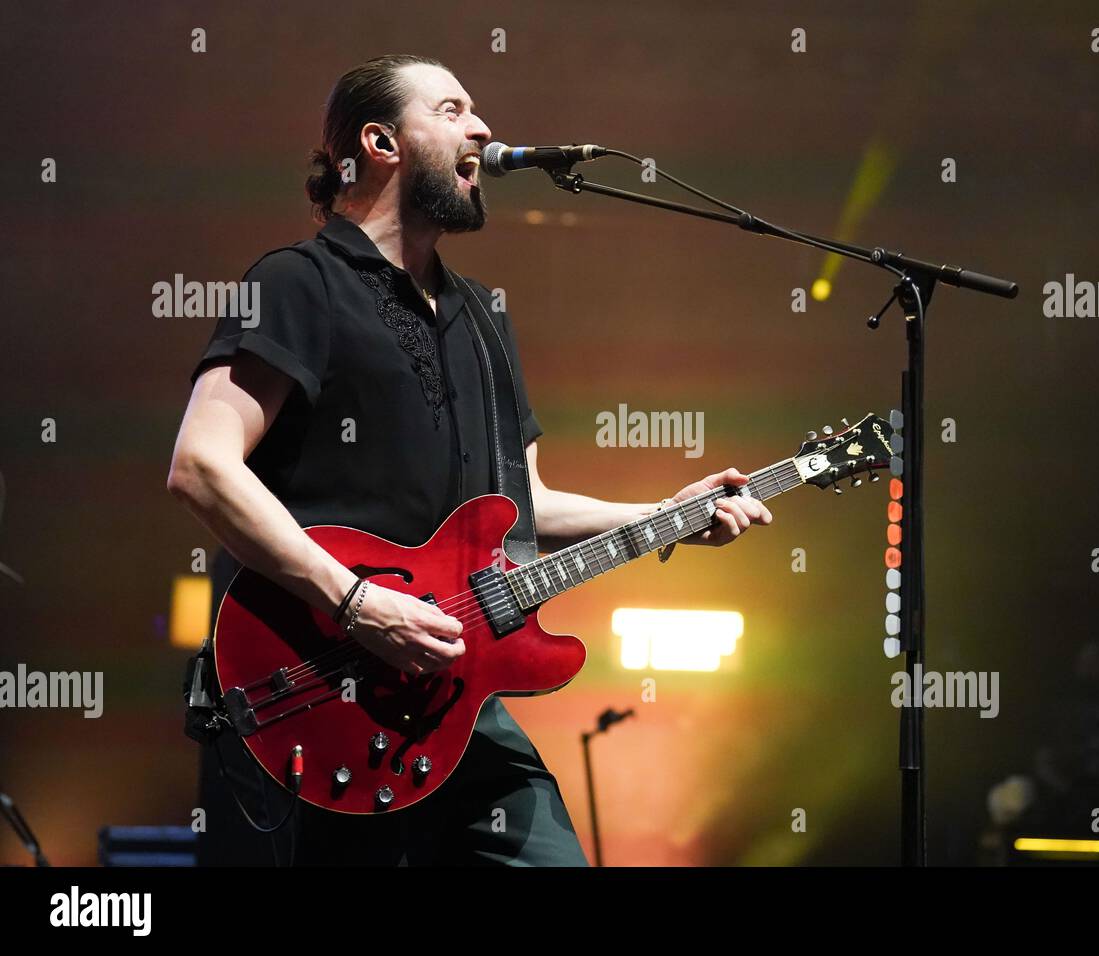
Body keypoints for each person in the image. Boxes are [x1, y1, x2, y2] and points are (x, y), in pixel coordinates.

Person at [166, 54, 772, 866]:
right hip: (320, 691)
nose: (482, 129)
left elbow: (527, 505)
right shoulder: (294, 283)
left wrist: (669, 515)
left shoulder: (484, 318)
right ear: (380, 142)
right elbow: (202, 466)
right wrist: (356, 604)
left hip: (454, 700)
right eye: (453, 111)